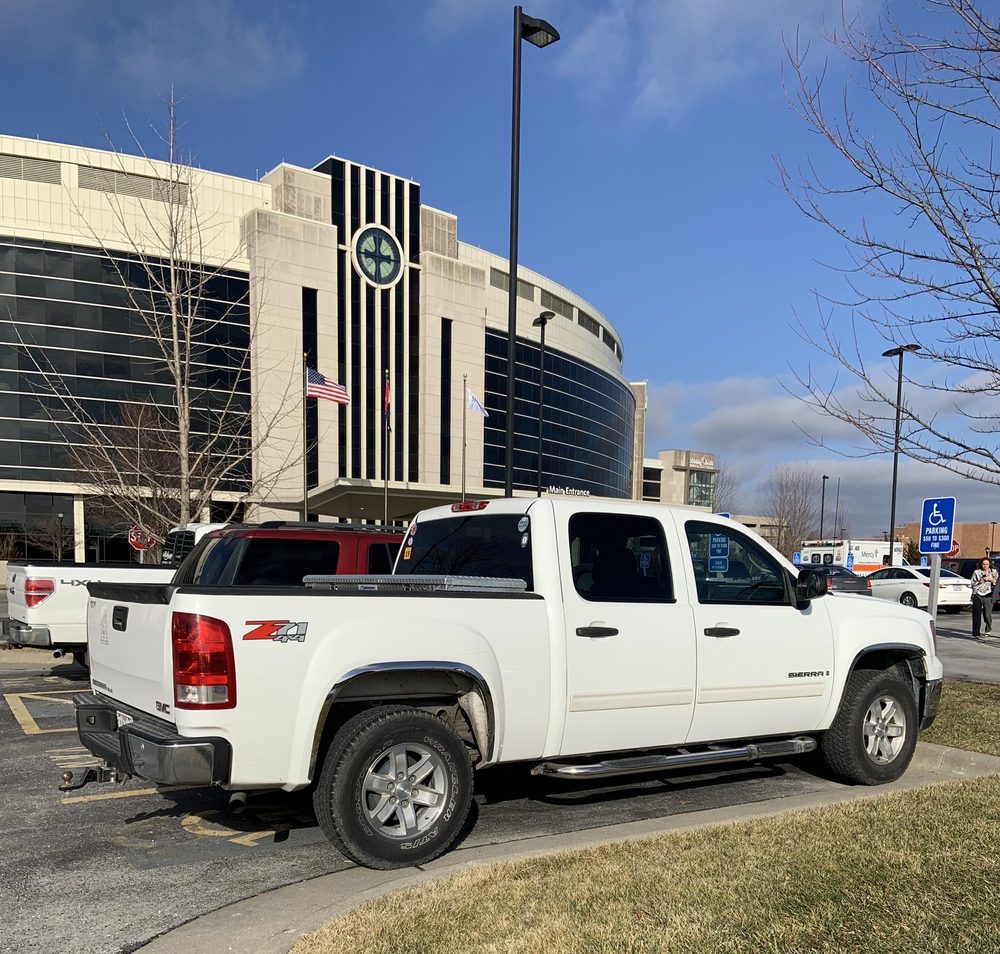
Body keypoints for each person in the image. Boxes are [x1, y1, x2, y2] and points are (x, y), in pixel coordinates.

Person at [970, 557, 998, 641]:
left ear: (989, 565)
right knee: (976, 614)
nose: (985, 566)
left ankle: (988, 629)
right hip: (978, 594)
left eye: (987, 564)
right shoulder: (977, 572)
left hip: (989, 594)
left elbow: (997, 583)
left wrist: (991, 579)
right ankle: (976, 633)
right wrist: (980, 581)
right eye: (983, 564)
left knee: (987, 615)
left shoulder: (993, 572)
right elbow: (972, 583)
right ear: (981, 564)